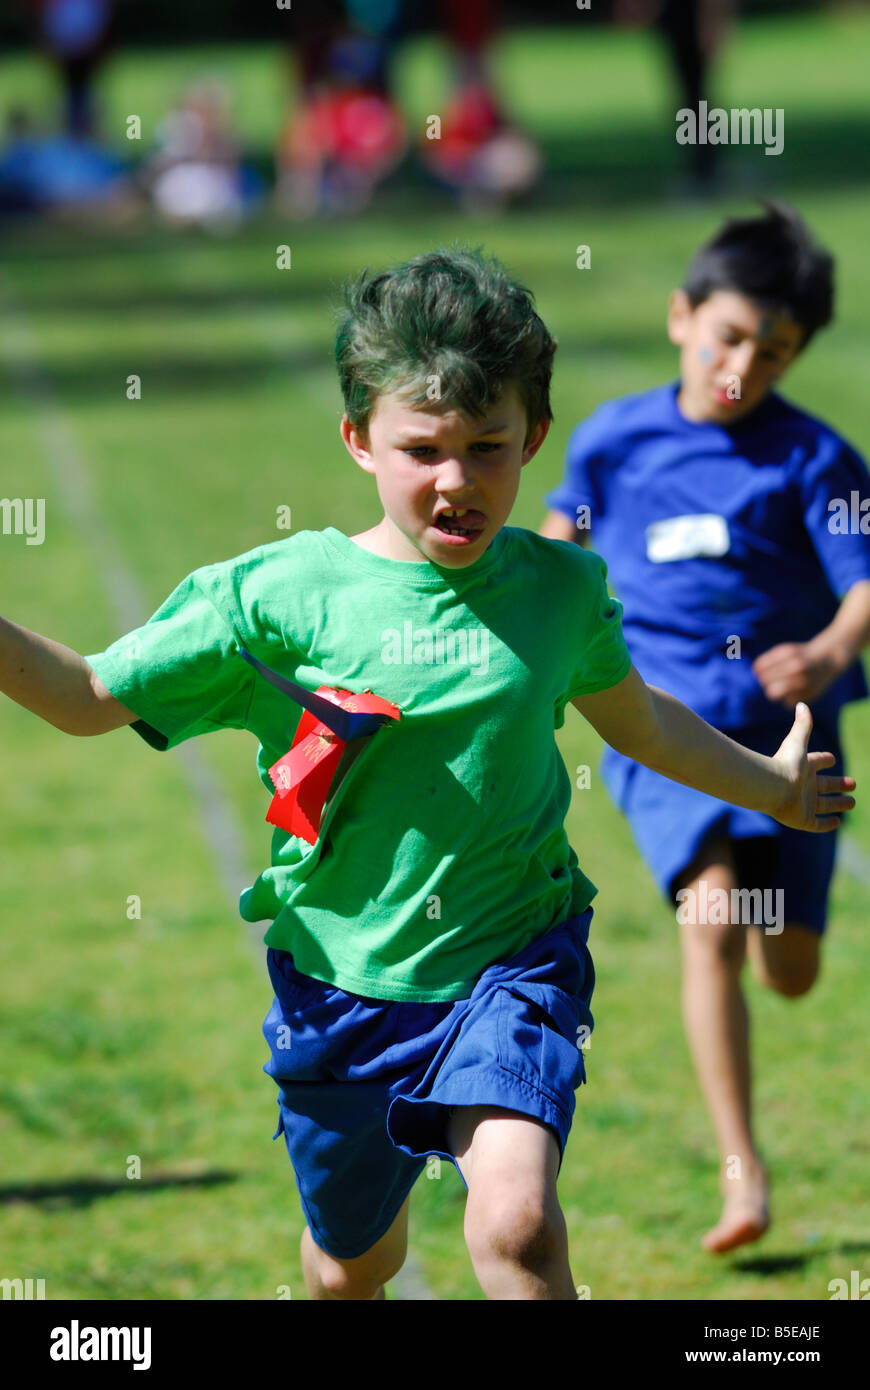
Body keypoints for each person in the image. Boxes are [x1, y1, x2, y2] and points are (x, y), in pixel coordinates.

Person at [1, 246, 856, 1300]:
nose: (457, 479)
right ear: (359, 439)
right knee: (350, 1268)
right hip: (340, 990)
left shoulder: (560, 589)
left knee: (520, 1224)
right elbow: (86, 696)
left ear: (534, 438)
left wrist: (771, 787)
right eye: (424, 449)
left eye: (488, 447)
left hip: (513, 961)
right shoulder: (274, 599)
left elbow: (640, 722)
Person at [540, 204, 870, 1254]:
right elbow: (560, 547)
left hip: (793, 738)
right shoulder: (612, 440)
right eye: (729, 335)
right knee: (714, 921)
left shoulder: (814, 456)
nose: (744, 363)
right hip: (665, 732)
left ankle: (792, 936)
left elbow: (862, 587)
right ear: (681, 316)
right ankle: (744, 1170)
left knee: (792, 965)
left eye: (773, 351)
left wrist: (823, 653)